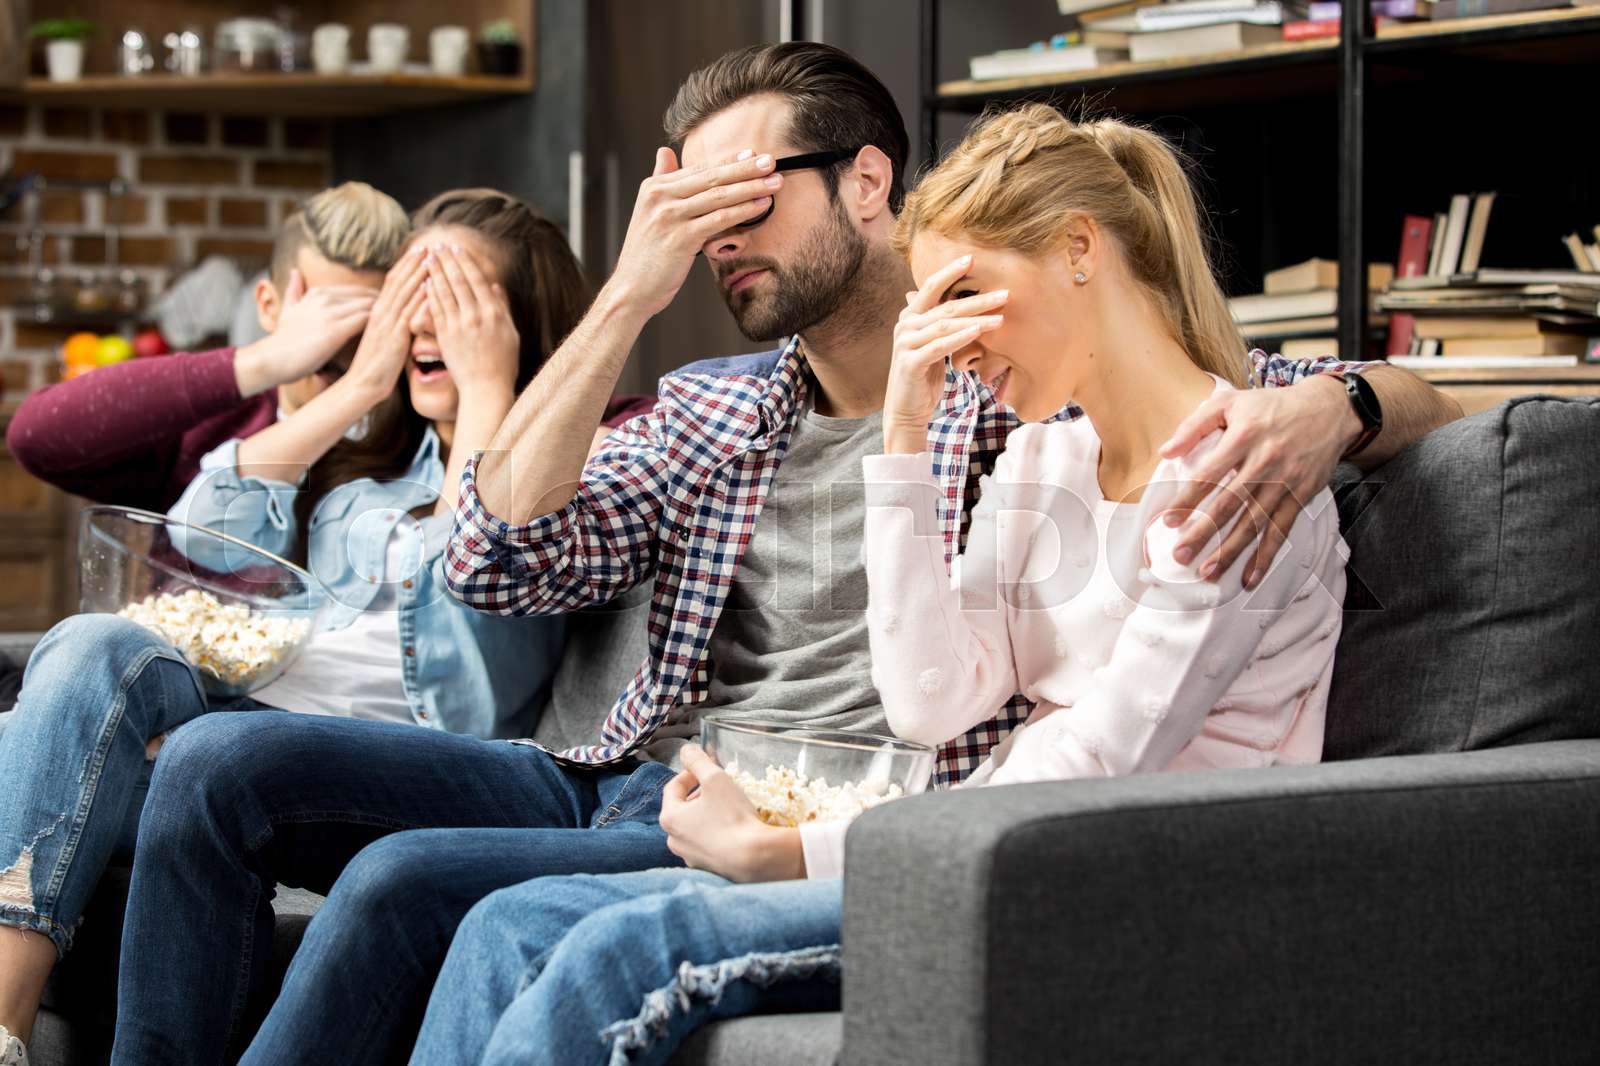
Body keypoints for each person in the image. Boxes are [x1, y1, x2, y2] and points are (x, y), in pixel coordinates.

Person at [109, 42, 1459, 1066]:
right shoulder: (716, 403)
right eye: (690, 207)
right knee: (218, 757)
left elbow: (1282, 393)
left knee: (428, 887)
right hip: (659, 781)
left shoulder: (1046, 381)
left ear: (869, 183)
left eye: (743, 195)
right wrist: (634, 289)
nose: (717, 238)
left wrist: (1344, 405)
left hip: (888, 815)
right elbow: (494, 558)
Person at [406, 100, 1354, 1066]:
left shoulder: (1245, 478)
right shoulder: (1044, 461)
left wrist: (791, 855)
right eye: (931, 304)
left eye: (967, 293)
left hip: (1140, 887)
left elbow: (1105, 768)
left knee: (620, 950)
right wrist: (904, 435)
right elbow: (929, 702)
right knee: (510, 924)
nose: (953, 339)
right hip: (991, 852)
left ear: (1080, 249)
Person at [0, 189, 580, 1066]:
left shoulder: (559, 491)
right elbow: (195, 540)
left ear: (521, 321)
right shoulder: (362, 477)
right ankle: (3, 1023)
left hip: (387, 762)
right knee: (89, 645)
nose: (429, 326)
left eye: (458, 299)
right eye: (412, 296)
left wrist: (492, 388)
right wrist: (354, 384)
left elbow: (479, 608)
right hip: (243, 731)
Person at [5, 181, 407, 512]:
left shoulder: (419, 440)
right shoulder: (207, 429)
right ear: (268, 306)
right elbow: (35, 437)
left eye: (367, 323)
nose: (340, 345)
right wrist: (263, 360)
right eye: (326, 316)